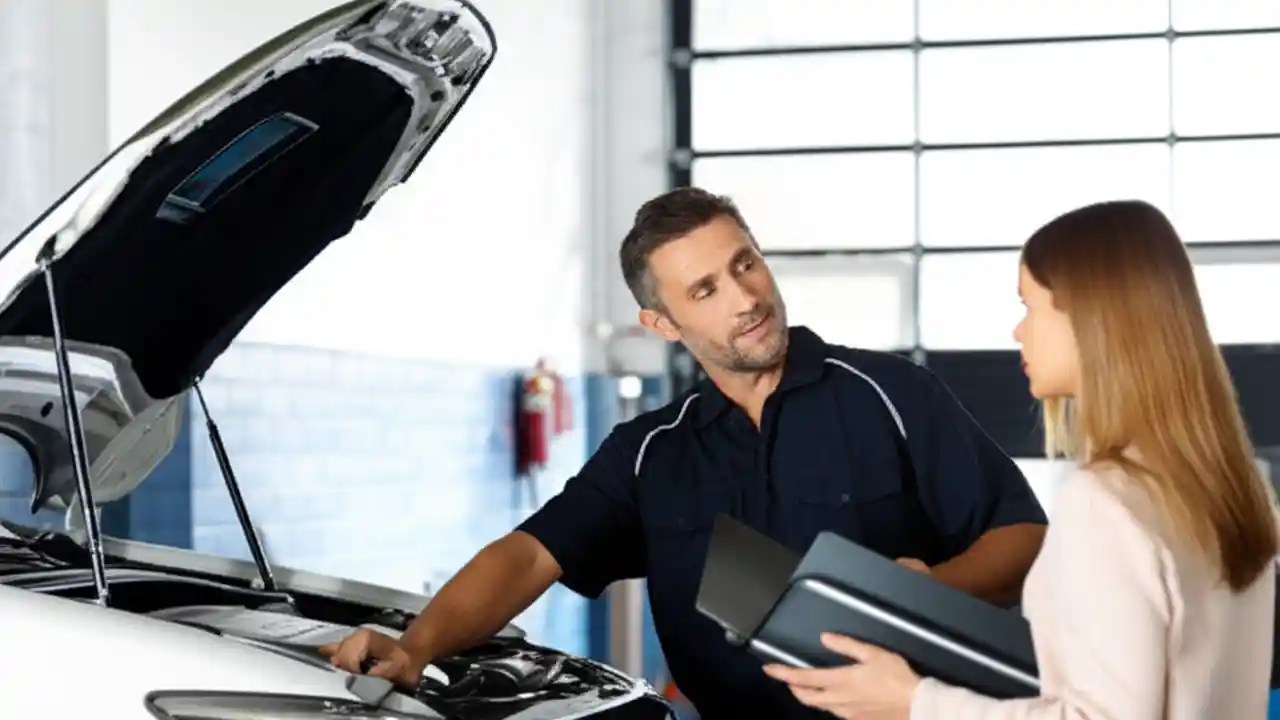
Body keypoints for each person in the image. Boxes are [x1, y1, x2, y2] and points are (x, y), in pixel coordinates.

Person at [319, 187, 1049, 718]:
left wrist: (926, 592)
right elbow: (528, 554)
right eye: (706, 289)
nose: (744, 297)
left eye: (745, 264)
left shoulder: (891, 395)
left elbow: (1022, 532)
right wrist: (416, 648)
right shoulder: (650, 455)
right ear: (662, 322)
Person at [764, 199, 1279, 719]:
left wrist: (915, 703)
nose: (1018, 331)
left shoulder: (1106, 499)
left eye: (1029, 306)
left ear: (1089, 318)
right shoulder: (1228, 490)